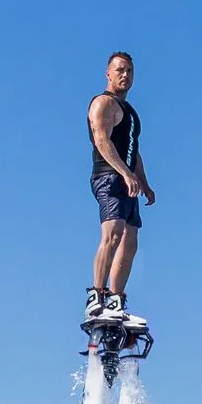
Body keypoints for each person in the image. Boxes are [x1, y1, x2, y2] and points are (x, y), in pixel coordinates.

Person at [85, 52, 155, 328]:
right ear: (108, 74)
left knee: (130, 240)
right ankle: (97, 298)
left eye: (129, 71)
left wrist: (144, 182)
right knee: (112, 234)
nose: (125, 75)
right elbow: (102, 140)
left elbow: (132, 150)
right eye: (120, 70)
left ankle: (115, 300)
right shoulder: (103, 103)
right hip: (108, 177)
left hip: (128, 181)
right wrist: (125, 173)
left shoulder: (131, 112)